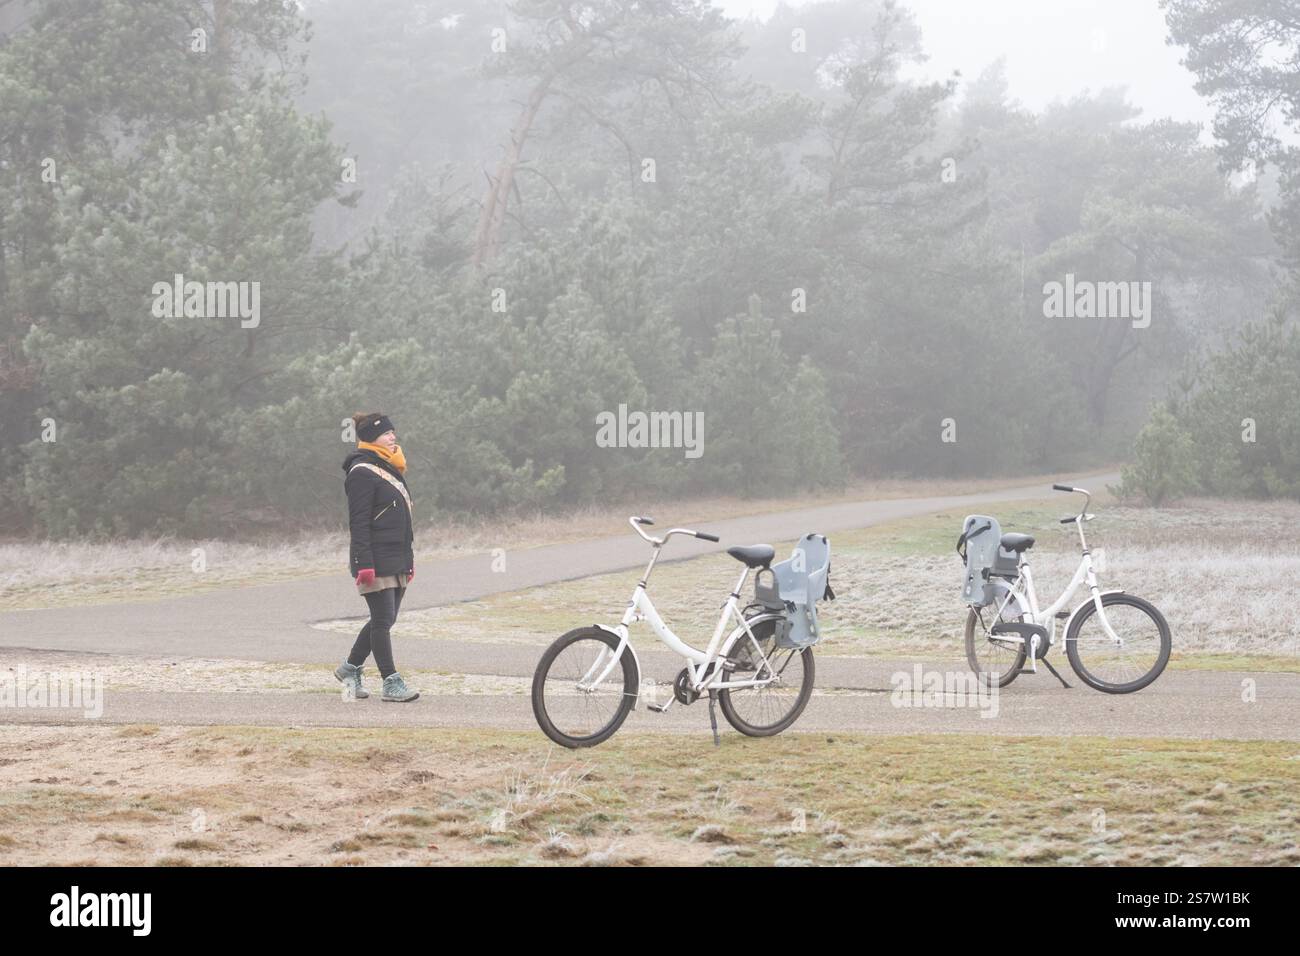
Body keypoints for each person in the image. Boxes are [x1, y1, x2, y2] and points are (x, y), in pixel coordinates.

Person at [334, 412, 419, 702]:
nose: (393, 437)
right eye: (387, 434)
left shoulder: (389, 467)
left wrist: (408, 561)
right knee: (382, 619)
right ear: (370, 438)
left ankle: (350, 668)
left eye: (393, 432)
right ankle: (391, 683)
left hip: (396, 555)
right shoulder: (361, 471)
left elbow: (401, 520)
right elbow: (358, 522)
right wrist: (364, 563)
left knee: (385, 618)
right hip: (374, 558)